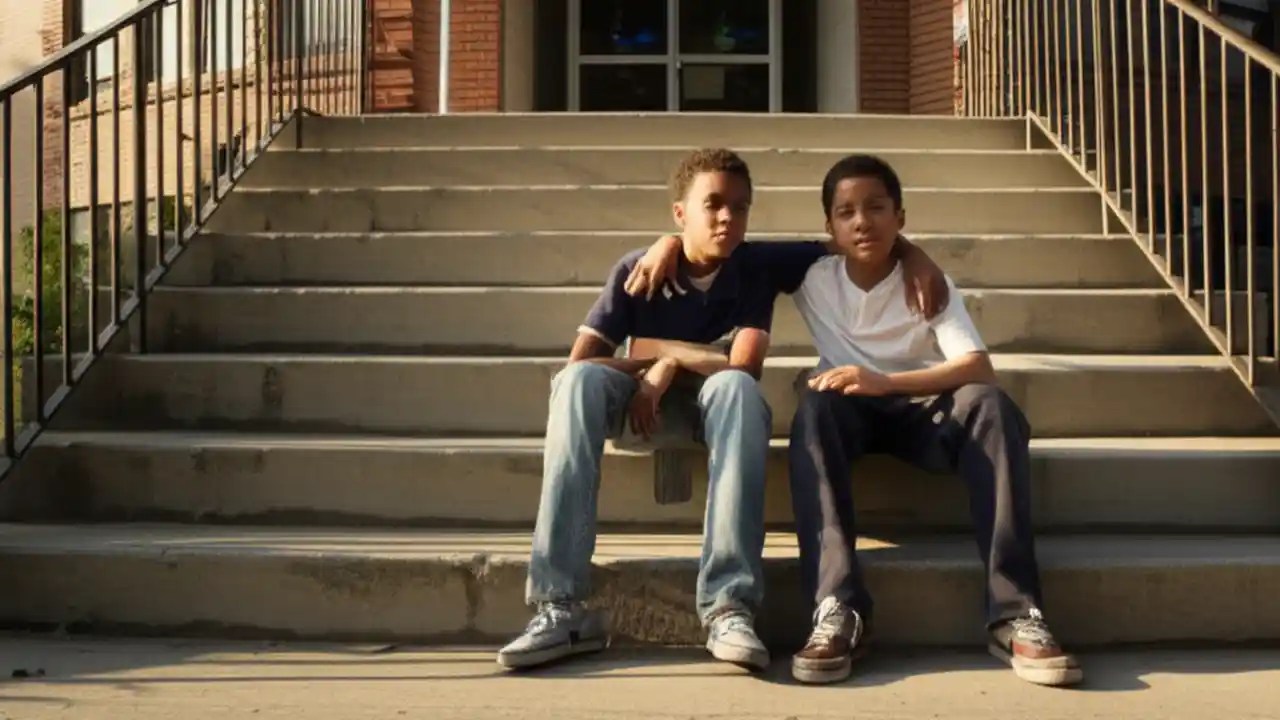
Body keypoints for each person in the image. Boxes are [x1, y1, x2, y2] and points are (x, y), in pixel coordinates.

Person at [623, 154, 1082, 688]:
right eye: (846, 213)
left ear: (900, 217)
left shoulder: (927, 282)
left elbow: (978, 368)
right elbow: (723, 247)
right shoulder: (812, 274)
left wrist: (887, 371)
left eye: (876, 209)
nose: (862, 221)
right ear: (830, 229)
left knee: (992, 407)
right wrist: (667, 244)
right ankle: (838, 609)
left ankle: (1015, 612)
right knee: (814, 405)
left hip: (924, 411)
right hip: (849, 414)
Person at [498, 148, 779, 671]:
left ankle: (728, 607)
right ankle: (560, 606)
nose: (727, 218)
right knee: (578, 383)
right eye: (713, 204)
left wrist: (666, 362)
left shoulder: (753, 272)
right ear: (680, 213)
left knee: (738, 392)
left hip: (711, 411)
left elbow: (742, 370)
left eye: (740, 207)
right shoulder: (636, 268)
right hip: (636, 411)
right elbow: (580, 363)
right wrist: (649, 371)